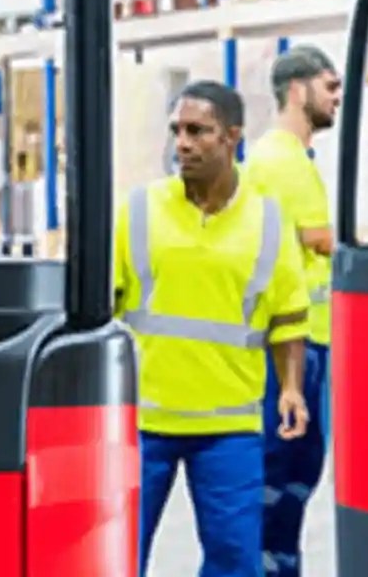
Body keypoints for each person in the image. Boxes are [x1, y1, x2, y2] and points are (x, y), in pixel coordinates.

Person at [113, 80, 310, 577]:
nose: (182, 143)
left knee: (235, 562)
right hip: (143, 421)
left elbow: (287, 315)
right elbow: (101, 309)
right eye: (177, 130)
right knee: (117, 556)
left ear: (232, 137)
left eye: (198, 131)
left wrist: (291, 388)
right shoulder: (139, 210)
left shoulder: (268, 221)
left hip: (229, 426)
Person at [243, 44, 340, 577]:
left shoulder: (271, 157)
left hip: (292, 337)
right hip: (295, 342)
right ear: (299, 90)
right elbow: (322, 241)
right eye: (331, 86)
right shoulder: (285, 162)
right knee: (288, 470)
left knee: (288, 473)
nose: (337, 98)